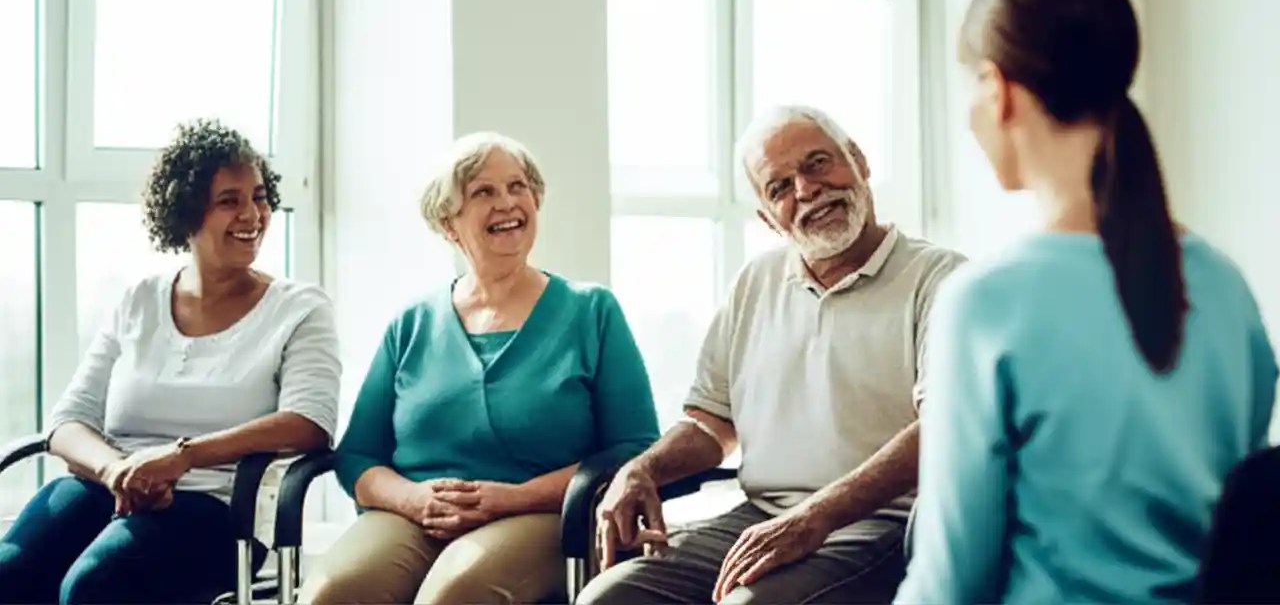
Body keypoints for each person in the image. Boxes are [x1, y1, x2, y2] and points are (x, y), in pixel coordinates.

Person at [895, 0, 1279, 603]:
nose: (968, 118)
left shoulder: (987, 303)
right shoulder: (1227, 288)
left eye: (971, 87)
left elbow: (950, 584)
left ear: (1001, 89)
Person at [581, 105, 968, 605]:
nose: (806, 190)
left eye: (817, 163)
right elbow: (709, 426)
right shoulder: (754, 283)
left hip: (880, 526)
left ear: (859, 161)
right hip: (762, 517)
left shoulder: (940, 279)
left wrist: (815, 516)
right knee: (606, 600)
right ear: (767, 218)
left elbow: (944, 427)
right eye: (780, 187)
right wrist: (641, 470)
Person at [301, 132, 660, 605]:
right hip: (416, 513)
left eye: (518, 187)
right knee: (332, 592)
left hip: (544, 515)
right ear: (448, 223)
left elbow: (632, 448)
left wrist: (509, 498)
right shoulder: (412, 323)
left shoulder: (591, 311)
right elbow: (358, 458)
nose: (507, 203)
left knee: (456, 594)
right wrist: (415, 500)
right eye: (483, 192)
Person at [0, 119, 342, 604]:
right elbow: (67, 422)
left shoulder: (299, 308)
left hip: (218, 506)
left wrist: (180, 458)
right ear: (187, 212)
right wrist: (119, 471)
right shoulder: (139, 299)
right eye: (230, 200)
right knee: (9, 573)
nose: (253, 214)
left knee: (93, 586)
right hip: (109, 485)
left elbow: (309, 424)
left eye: (260, 196)